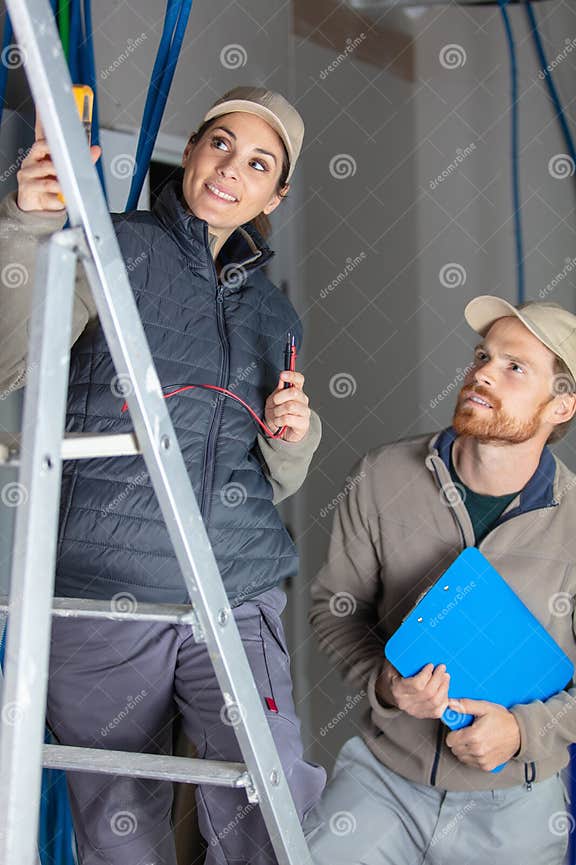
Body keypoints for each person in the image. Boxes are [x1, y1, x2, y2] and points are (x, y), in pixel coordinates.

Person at [0, 86, 326, 864]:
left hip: (235, 586)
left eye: (258, 162)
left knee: (268, 792)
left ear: (276, 192)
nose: (230, 169)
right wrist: (24, 225)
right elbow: (9, 361)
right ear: (192, 151)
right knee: (122, 828)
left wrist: (293, 438)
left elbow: (264, 483)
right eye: (219, 143)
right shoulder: (107, 247)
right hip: (104, 591)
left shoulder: (275, 318)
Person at [304, 296, 576, 865]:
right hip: (382, 781)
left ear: (561, 408)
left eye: (514, 366)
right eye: (483, 355)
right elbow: (335, 608)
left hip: (516, 804)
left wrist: (522, 731)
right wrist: (385, 684)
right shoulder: (381, 474)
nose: (481, 372)